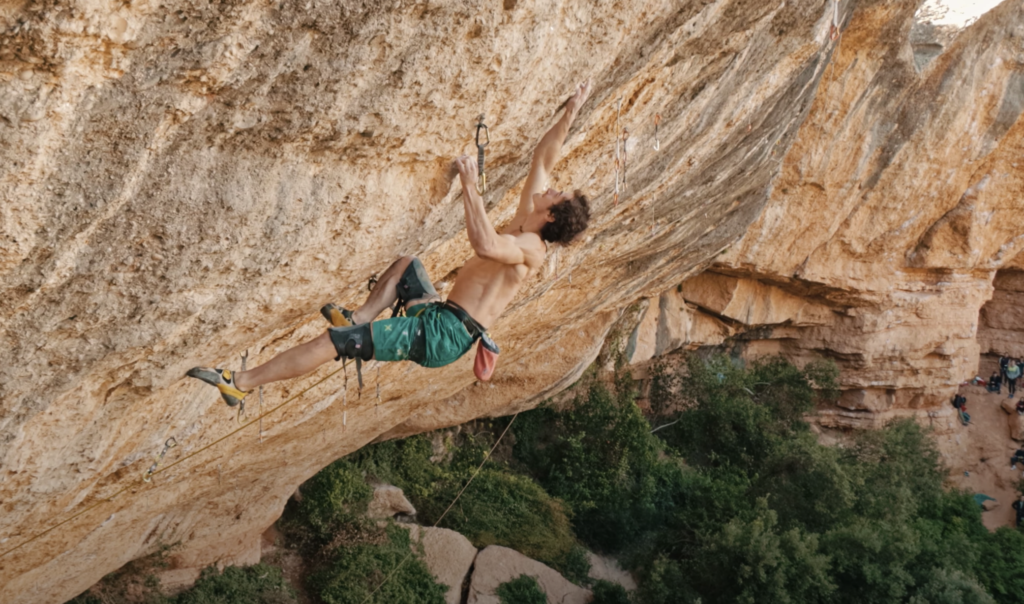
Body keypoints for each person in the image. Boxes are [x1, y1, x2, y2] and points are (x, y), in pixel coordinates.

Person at [187, 82, 594, 407]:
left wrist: (471, 187)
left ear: (552, 215)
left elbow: (486, 245)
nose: (552, 187)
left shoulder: (529, 250)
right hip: (441, 318)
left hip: (443, 336)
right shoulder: (529, 219)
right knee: (407, 265)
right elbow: (544, 158)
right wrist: (572, 110)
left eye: (556, 195)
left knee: (332, 346)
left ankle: (240, 382)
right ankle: (358, 317)